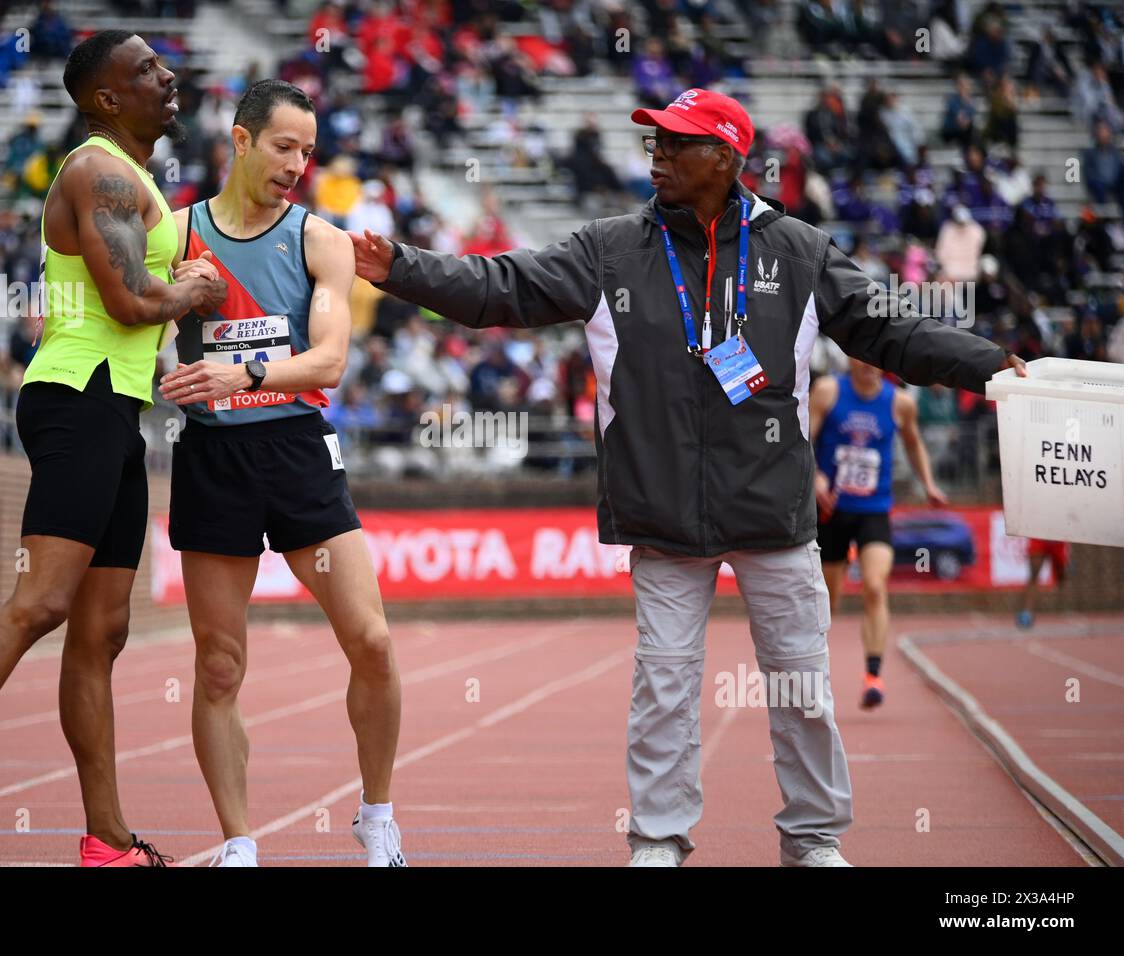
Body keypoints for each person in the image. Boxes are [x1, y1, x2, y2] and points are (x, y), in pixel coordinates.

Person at [351, 87, 1027, 867]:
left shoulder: (800, 252)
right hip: (664, 512)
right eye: (655, 143)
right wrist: (401, 267)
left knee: (801, 690)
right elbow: (502, 287)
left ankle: (812, 841)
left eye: (677, 144)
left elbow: (890, 329)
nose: (658, 156)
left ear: (729, 158)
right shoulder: (610, 248)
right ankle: (659, 840)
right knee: (664, 691)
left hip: (774, 510)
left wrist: (987, 365)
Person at [0, 30, 227, 868]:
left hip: (118, 405)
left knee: (101, 632)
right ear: (105, 99)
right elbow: (133, 302)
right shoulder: (95, 170)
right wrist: (195, 290)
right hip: (79, 396)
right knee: (40, 605)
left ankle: (105, 841)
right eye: (145, 71)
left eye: (163, 66)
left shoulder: (134, 181)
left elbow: (141, 303)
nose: (167, 78)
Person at [158, 79, 405, 868]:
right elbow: (129, 322)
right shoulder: (176, 233)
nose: (298, 164)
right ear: (238, 140)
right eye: (282, 147)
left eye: (307, 150)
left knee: (371, 641)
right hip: (211, 458)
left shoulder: (321, 241)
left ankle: (377, 814)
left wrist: (246, 375)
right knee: (220, 663)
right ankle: (237, 842)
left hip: (296, 448)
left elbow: (330, 358)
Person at [809, 359, 947, 710]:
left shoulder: (900, 402)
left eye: (876, 360)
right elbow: (801, 438)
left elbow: (914, 444)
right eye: (862, 357)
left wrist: (928, 484)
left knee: (874, 584)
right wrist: (814, 477)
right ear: (850, 359)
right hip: (831, 512)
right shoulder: (828, 392)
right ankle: (811, 673)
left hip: (874, 511)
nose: (869, 365)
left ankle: (873, 675)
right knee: (830, 601)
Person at [1017, 539, 1070, 629]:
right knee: (1034, 574)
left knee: (1061, 574)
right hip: (1040, 536)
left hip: (1058, 538)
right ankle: (1027, 613)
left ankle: (1063, 606)